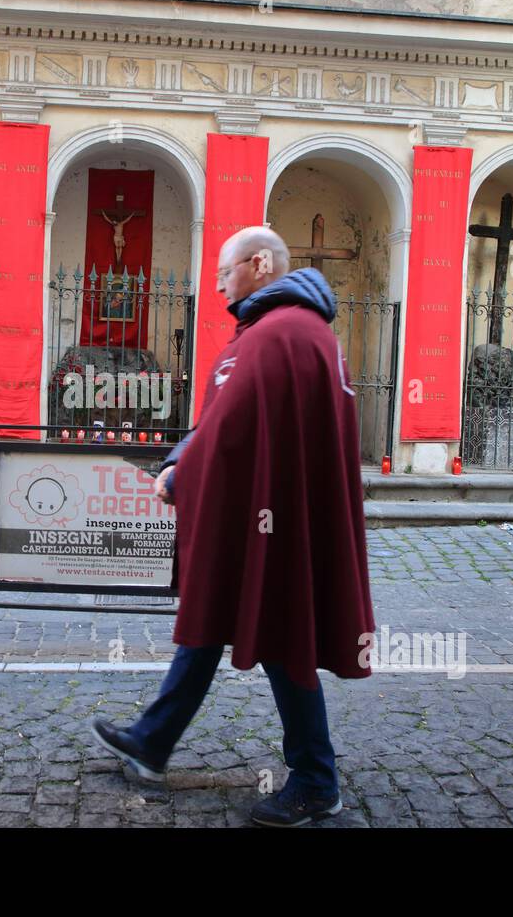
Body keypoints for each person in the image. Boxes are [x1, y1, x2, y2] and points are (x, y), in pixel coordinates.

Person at [92, 226, 375, 827]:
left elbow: (230, 426)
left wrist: (181, 473)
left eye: (225, 269)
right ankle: (152, 741)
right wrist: (182, 459)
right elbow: (222, 419)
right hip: (259, 515)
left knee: (279, 633)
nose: (218, 281)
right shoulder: (275, 331)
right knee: (222, 617)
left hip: (271, 520)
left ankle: (317, 780)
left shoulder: (284, 333)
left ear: (258, 263)